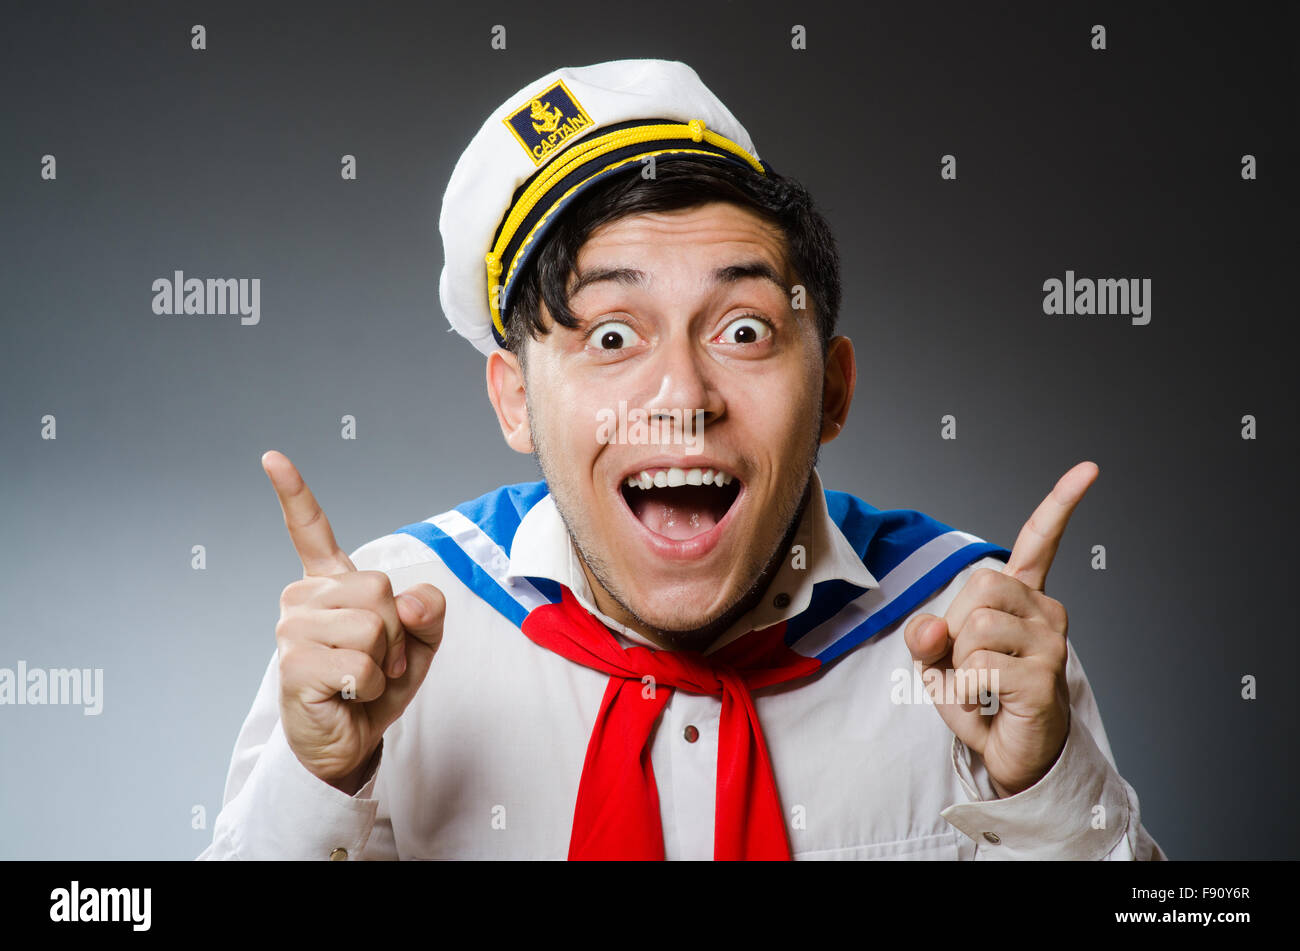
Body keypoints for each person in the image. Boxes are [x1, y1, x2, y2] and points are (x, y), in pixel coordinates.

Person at [198, 59, 1164, 860]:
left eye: (743, 328)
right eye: (612, 337)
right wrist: (318, 777)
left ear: (832, 389)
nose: (682, 397)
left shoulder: (975, 630)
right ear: (513, 398)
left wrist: (1044, 792)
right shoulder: (380, 634)